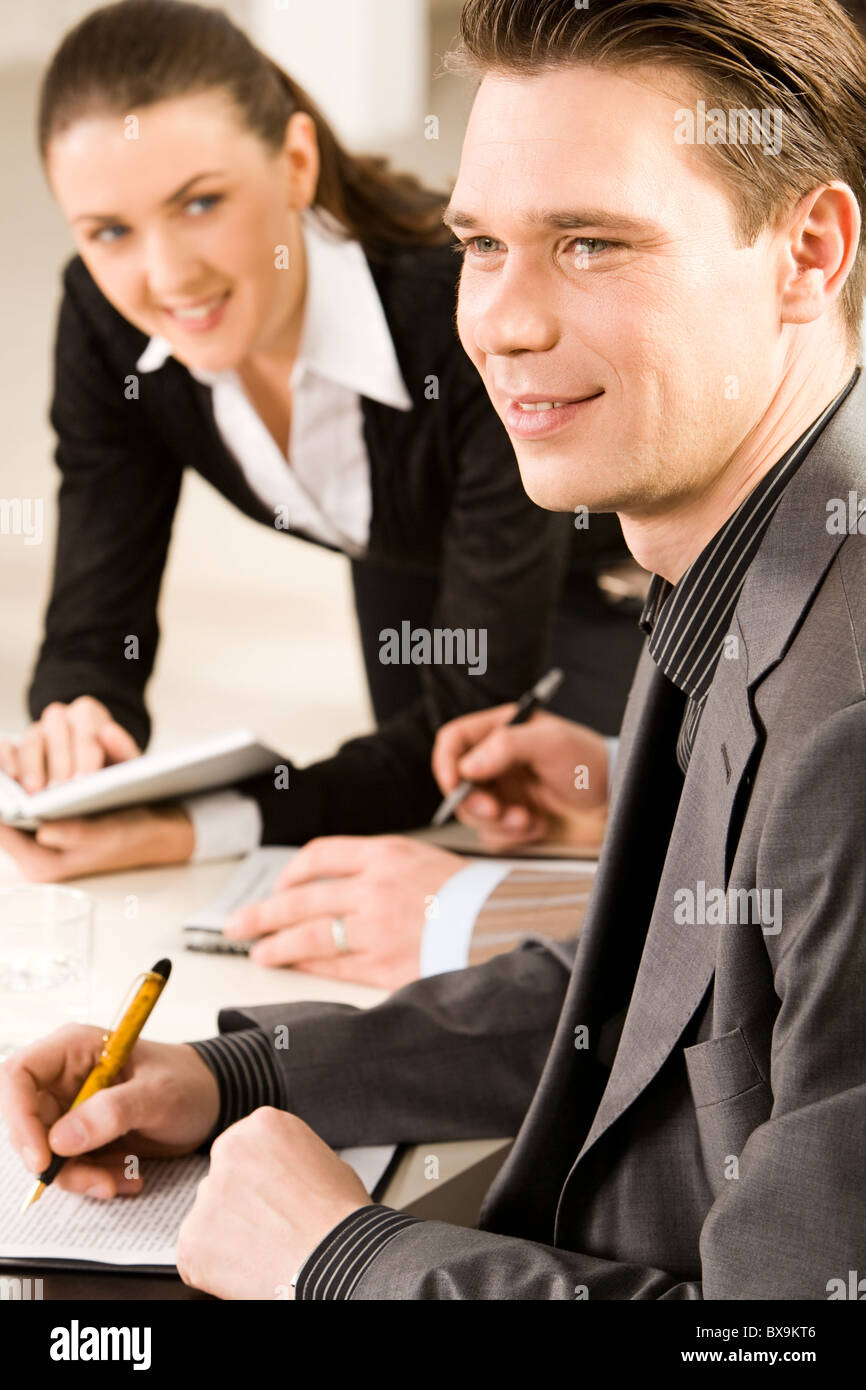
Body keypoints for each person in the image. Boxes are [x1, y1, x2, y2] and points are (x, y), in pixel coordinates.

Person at [5, 0, 866, 1299]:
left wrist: (348, 1257)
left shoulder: (841, 716)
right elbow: (651, 997)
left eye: (589, 242)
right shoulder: (742, 579)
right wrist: (237, 1073)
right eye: (480, 242)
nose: (502, 324)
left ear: (806, 250)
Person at [0, 0, 641, 888]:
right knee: (441, 807)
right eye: (110, 230)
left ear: (296, 162)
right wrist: (83, 724)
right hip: (413, 548)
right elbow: (94, 620)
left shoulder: (458, 317)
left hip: (625, 561)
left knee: (570, 821)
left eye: (201, 203)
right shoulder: (105, 322)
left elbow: (467, 723)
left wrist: (193, 827)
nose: (165, 276)